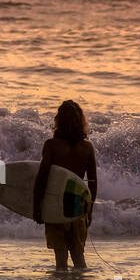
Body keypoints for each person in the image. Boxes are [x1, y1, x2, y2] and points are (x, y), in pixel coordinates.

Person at [32, 100, 98, 270]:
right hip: (77, 203)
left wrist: (37, 207)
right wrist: (89, 210)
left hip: (56, 202)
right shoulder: (87, 148)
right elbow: (92, 183)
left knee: (61, 258)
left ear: (59, 120)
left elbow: (42, 178)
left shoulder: (52, 145)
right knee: (78, 255)